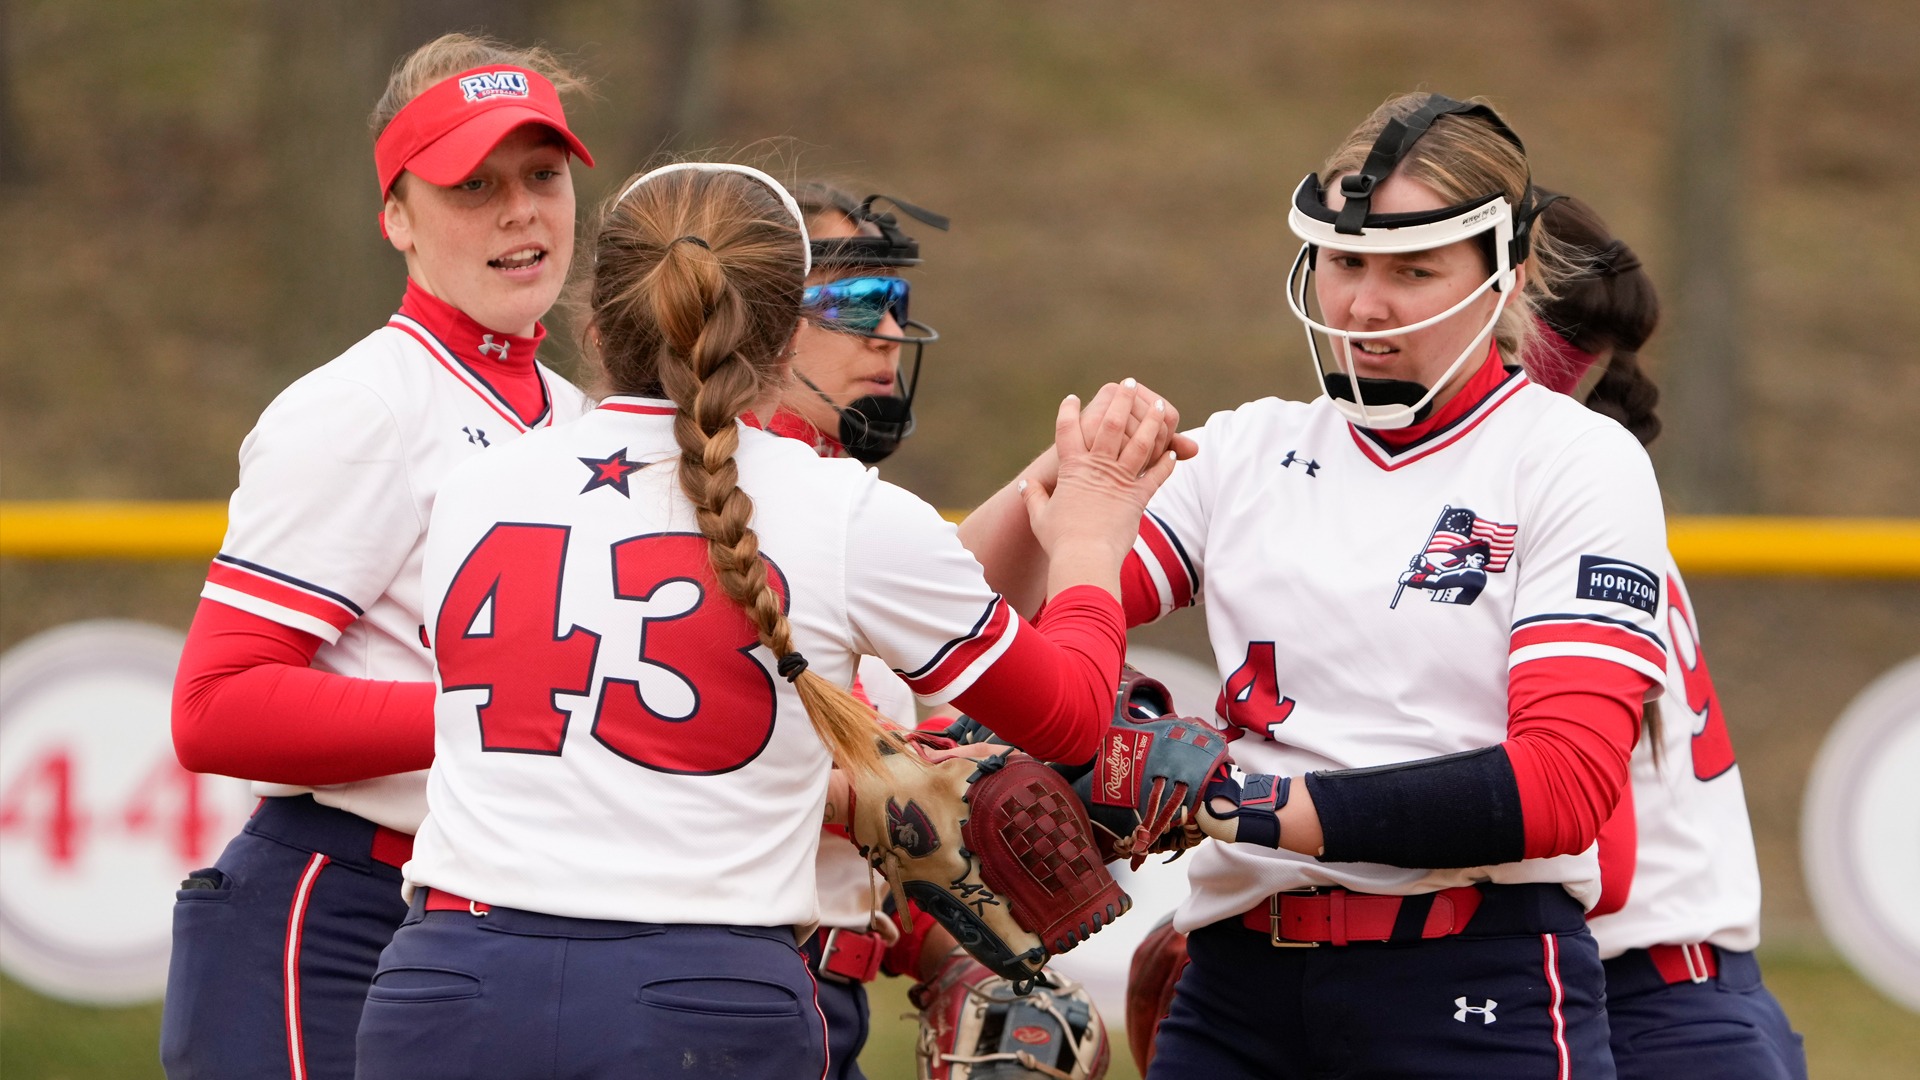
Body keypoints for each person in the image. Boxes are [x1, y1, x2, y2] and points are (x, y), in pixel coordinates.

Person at [353, 161, 1178, 1080]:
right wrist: (1092, 536)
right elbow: (1070, 717)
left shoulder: (475, 486)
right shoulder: (838, 510)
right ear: (788, 336)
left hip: (445, 982)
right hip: (696, 994)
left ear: (597, 322)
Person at [962, 92, 1672, 1078]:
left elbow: (1563, 785)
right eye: (1344, 261)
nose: (1363, 306)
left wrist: (1233, 802)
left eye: (1412, 270)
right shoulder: (1247, 446)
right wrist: (1076, 465)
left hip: (1469, 972)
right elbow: (973, 620)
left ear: (1503, 275)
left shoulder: (1573, 458)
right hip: (1236, 985)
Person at [161, 34, 595, 1080]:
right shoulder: (360, 408)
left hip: (497, 920)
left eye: (541, 175)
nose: (520, 211)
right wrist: (497, 716)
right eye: (472, 186)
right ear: (396, 218)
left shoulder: (583, 424)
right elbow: (215, 707)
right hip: (332, 914)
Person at [1530, 192, 1806, 1080]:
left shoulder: (1538, 525)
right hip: (1691, 1003)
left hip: (1654, 1016)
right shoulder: (1585, 507)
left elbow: (1595, 853)